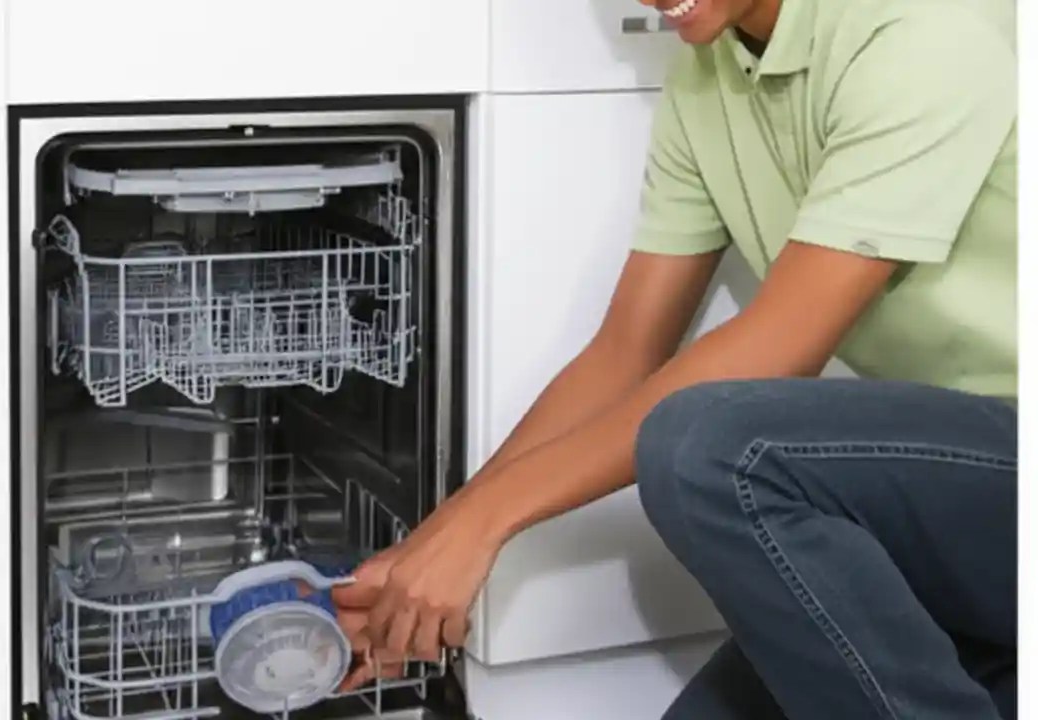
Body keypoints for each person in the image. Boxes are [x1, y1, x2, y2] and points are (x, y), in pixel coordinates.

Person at [332, 0, 1018, 716]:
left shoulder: (926, 28)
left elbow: (784, 342)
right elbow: (624, 352)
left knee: (717, 449)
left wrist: (484, 525)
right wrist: (430, 548)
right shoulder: (706, 81)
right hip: (952, 497)